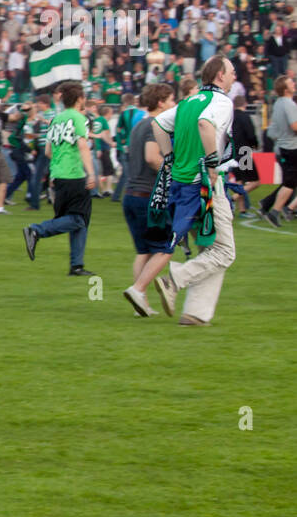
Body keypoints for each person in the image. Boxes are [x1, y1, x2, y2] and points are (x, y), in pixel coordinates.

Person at [147, 56, 238, 325]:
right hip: (206, 184)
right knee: (224, 252)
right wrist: (211, 163)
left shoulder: (188, 101)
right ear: (220, 75)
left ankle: (195, 313)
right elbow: (205, 125)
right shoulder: (221, 101)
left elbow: (159, 125)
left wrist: (170, 156)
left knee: (209, 248)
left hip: (183, 183)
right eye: (232, 72)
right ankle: (174, 279)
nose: (234, 77)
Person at [22, 82, 96, 277]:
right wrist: (91, 173)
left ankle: (76, 265)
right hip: (74, 174)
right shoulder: (78, 118)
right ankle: (36, 230)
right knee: (78, 218)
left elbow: (48, 151)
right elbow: (83, 146)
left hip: (58, 176)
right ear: (80, 99)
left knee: (78, 220)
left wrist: (55, 171)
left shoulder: (56, 119)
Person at [121, 83, 175, 316]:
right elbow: (152, 158)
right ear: (161, 102)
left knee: (144, 251)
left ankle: (140, 303)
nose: (175, 105)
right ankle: (137, 289)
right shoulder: (157, 124)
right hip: (148, 197)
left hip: (130, 196)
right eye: (172, 100)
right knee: (165, 248)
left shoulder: (138, 125)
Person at [260, 76, 297, 225]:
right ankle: (276, 211)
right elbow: (294, 126)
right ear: (286, 89)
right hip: (292, 147)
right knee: (289, 184)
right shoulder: (289, 104)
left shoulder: (278, 103)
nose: (294, 84)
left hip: (284, 147)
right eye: (291, 83)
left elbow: (272, 130)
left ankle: (274, 209)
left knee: (289, 183)